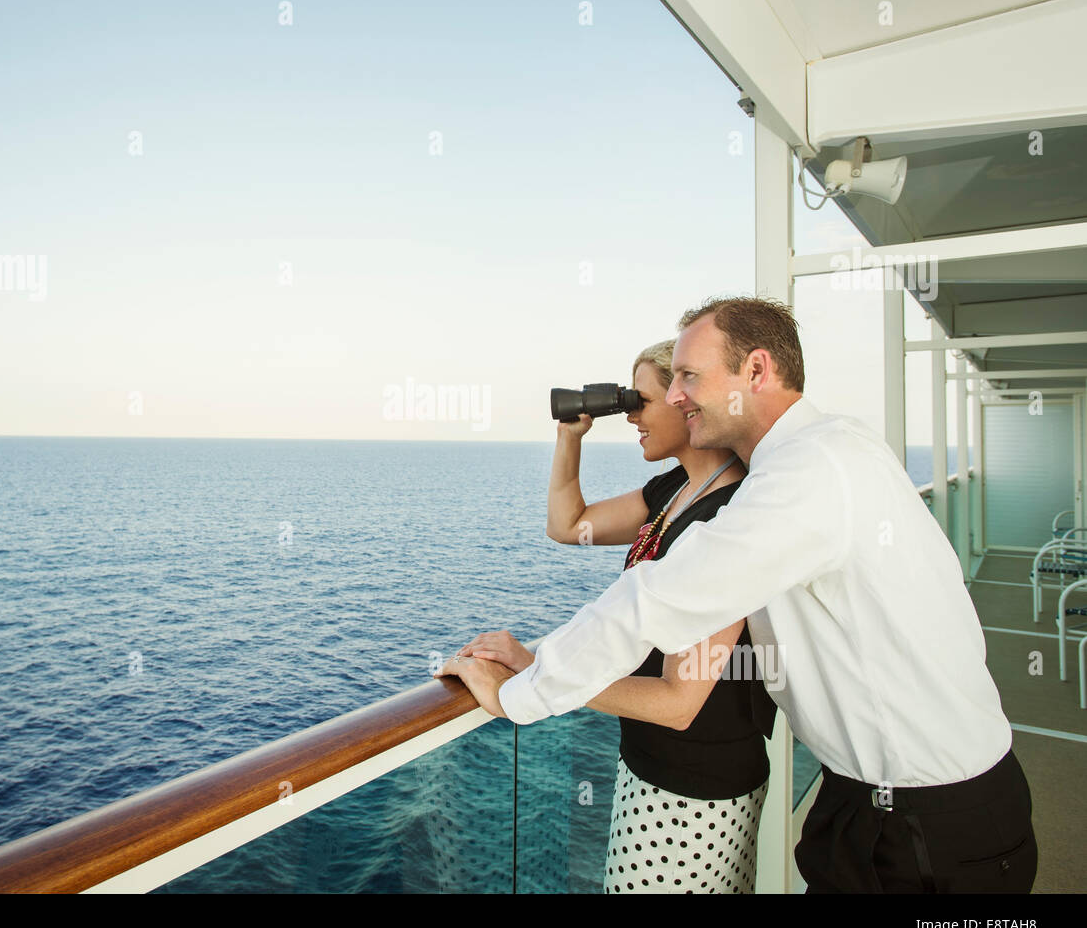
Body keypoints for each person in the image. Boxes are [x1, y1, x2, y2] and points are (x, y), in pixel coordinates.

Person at [438, 295, 1036, 894]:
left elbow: (660, 598)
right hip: (871, 797)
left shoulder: (809, 471)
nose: (674, 397)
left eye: (689, 377)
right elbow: (595, 541)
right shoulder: (814, 456)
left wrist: (521, 692)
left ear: (756, 370)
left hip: (928, 823)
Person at [460, 339, 774, 893]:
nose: (630, 414)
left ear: (685, 402)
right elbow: (568, 524)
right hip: (656, 765)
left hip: (695, 786)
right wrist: (569, 436)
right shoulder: (676, 489)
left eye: (640, 399)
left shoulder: (728, 514)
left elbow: (680, 702)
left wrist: (538, 673)